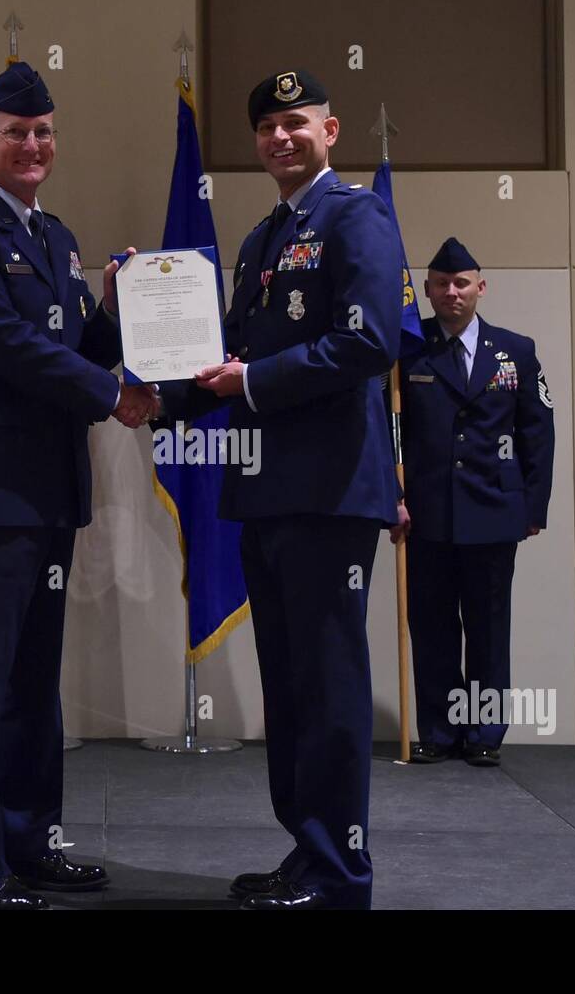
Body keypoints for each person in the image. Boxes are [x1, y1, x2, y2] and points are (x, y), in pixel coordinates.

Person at [155, 69, 401, 910]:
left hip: (330, 493)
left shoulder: (357, 216)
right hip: (264, 493)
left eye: (296, 122)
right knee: (292, 686)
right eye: (265, 127)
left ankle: (341, 875)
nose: (280, 137)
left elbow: (368, 343)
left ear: (330, 131)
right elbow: (222, 355)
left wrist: (251, 382)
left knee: (329, 688)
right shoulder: (264, 238)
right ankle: (308, 852)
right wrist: (150, 388)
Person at [0, 61, 155, 911]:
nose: (33, 145)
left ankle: (30, 843)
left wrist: (120, 308)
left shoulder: (55, 238)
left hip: (52, 488)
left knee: (31, 685)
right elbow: (0, 345)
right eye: (16, 132)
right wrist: (111, 395)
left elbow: (79, 349)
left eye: (45, 132)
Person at [390, 237, 554, 766]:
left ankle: (483, 732)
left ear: (481, 288)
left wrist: (532, 508)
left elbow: (538, 432)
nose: (451, 292)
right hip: (426, 515)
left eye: (462, 283)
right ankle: (438, 732)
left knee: (487, 628)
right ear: (429, 290)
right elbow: (387, 434)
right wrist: (391, 497)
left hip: (492, 512)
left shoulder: (516, 351)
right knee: (433, 628)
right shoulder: (407, 352)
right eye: (440, 284)